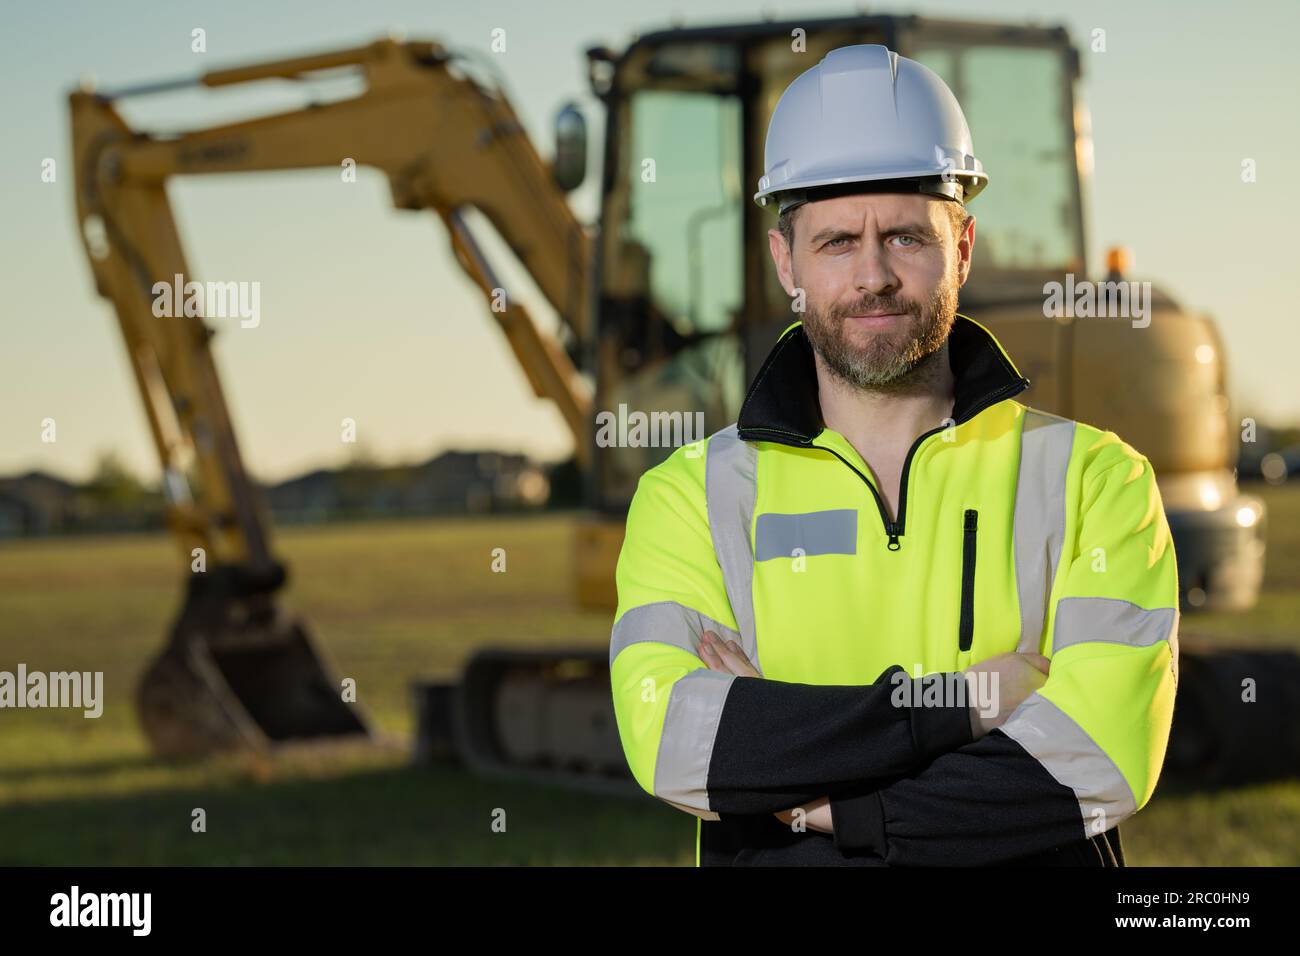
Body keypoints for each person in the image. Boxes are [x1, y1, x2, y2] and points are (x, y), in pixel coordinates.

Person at [608, 44, 1178, 866]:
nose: (872, 276)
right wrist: (968, 705)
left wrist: (823, 804)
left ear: (964, 247)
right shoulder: (689, 498)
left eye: (906, 236)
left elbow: (1098, 759)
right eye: (837, 242)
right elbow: (681, 744)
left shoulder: (1094, 479)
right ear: (785, 263)